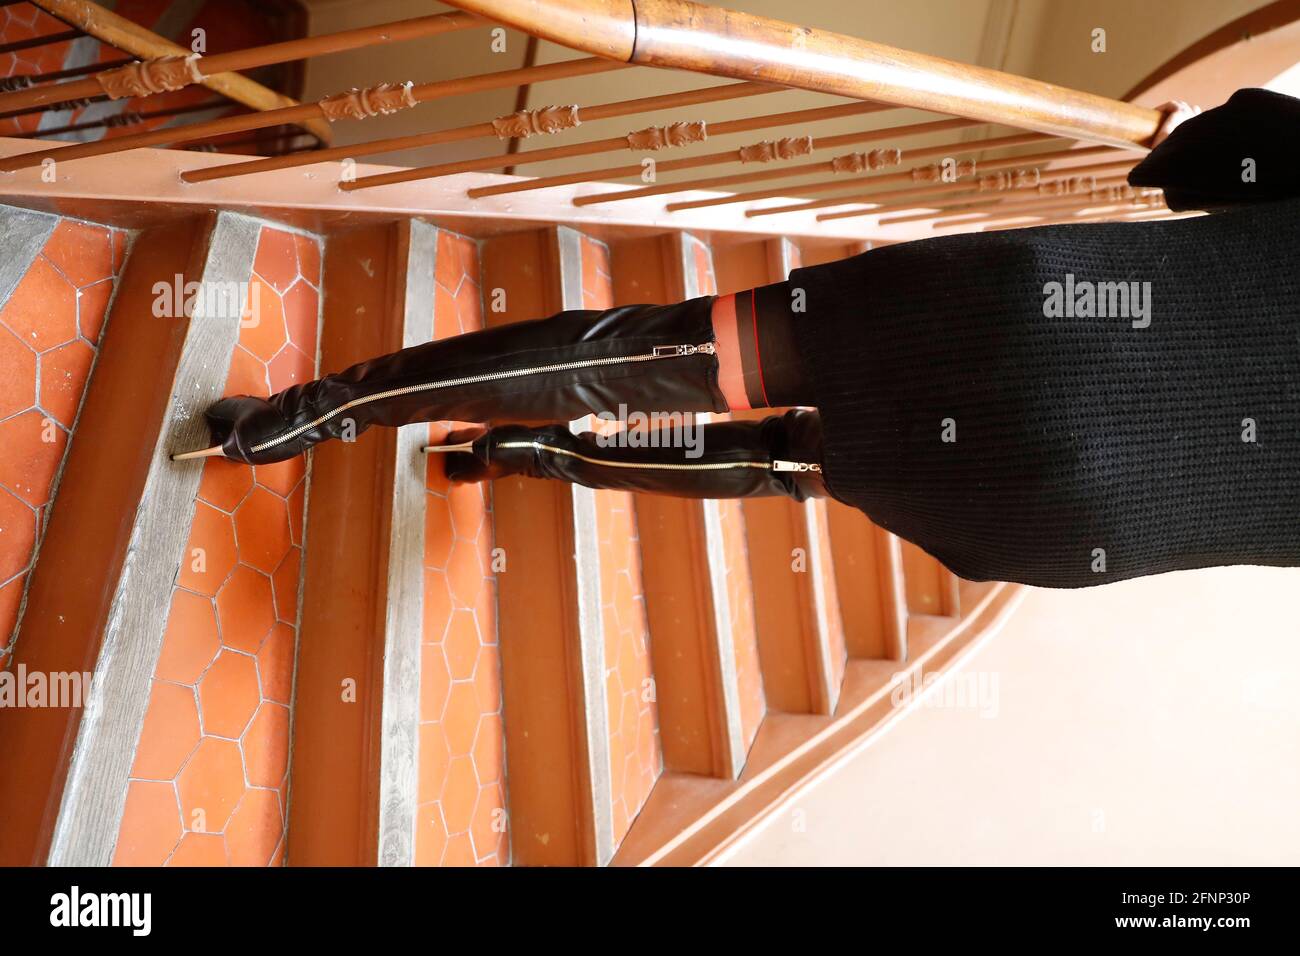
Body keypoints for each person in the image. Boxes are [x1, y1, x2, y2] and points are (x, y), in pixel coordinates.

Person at [180, 88, 1300, 589]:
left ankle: (302, 417)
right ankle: (527, 455)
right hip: (1080, 516)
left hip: (1046, 323)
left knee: (661, 352)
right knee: (794, 466)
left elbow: (1214, 153)